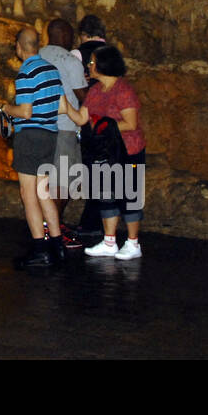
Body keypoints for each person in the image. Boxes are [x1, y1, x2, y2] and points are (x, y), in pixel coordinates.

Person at [0, 27, 82, 269]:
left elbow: (25, 111)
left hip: (30, 137)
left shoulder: (26, 72)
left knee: (28, 193)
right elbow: (58, 105)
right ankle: (57, 246)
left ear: (19, 47)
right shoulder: (52, 70)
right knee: (43, 191)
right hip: (49, 135)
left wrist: (4, 108)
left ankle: (39, 249)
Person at [79, 46, 146, 260]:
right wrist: (64, 107)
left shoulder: (123, 90)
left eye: (92, 62)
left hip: (128, 149)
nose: (89, 65)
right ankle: (109, 241)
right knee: (106, 194)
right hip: (105, 151)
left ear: (104, 65)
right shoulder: (96, 90)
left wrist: (104, 126)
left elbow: (131, 123)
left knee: (129, 195)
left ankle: (133, 243)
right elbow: (82, 118)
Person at [40, 19, 88, 250]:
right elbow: (83, 96)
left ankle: (48, 227)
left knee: (46, 182)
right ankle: (53, 229)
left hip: (39, 128)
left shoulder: (36, 56)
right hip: (64, 127)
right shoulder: (70, 62)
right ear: (65, 36)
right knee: (63, 184)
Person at [73, 14, 109, 235]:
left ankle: (91, 223)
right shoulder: (113, 54)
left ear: (83, 35)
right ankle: (101, 221)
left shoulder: (77, 54)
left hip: (89, 118)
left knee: (91, 167)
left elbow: (71, 82)